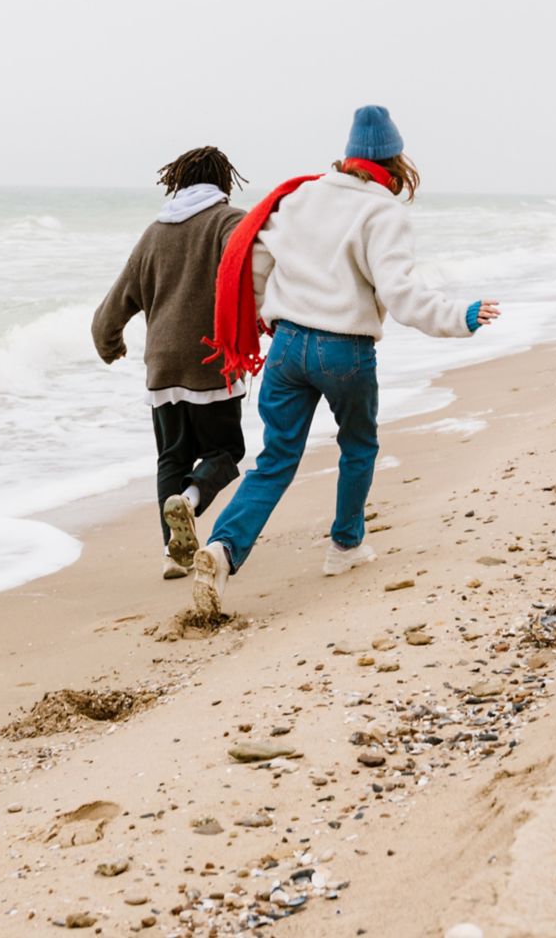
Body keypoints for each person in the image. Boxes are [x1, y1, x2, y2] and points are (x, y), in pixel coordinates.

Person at [183, 106, 501, 614]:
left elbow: (259, 257)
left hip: (287, 347)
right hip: (345, 351)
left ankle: (222, 549)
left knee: (275, 460)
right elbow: (400, 294)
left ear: (349, 154)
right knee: (357, 446)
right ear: (395, 161)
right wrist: (459, 315)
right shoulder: (384, 212)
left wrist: (269, 314)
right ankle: (345, 546)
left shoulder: (304, 195)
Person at [91, 146, 250, 580]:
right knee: (226, 451)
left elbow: (116, 302)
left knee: (171, 459)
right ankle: (193, 501)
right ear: (224, 182)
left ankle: (171, 553)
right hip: (211, 361)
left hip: (162, 366)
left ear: (178, 181)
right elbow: (253, 263)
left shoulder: (153, 234)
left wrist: (109, 344)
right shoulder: (227, 220)